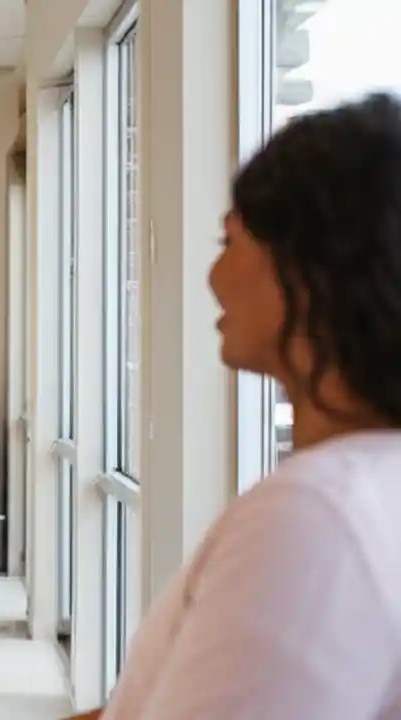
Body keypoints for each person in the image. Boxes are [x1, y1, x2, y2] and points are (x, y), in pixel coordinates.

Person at [73, 93, 401, 719]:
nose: (213, 275)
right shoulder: (372, 484)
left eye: (228, 240)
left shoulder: (318, 516)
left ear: (309, 260)